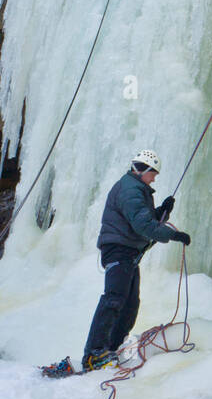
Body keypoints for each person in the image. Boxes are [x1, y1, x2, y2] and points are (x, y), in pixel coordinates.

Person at [72, 150, 189, 374]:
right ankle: (94, 353)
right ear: (142, 170)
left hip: (128, 253)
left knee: (129, 303)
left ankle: (111, 348)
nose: (154, 178)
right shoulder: (130, 189)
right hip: (119, 251)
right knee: (114, 299)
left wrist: (162, 211)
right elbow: (142, 225)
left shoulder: (136, 189)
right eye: (153, 173)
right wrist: (174, 235)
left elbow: (142, 219)